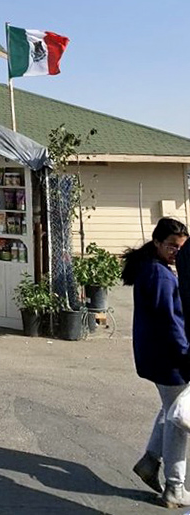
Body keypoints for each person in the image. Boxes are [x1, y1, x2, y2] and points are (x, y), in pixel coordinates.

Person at [122, 217, 190, 508]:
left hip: (157, 355)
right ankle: (175, 487)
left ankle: (150, 462)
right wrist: (187, 353)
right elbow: (170, 322)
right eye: (172, 246)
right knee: (179, 421)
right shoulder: (160, 275)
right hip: (170, 358)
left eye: (181, 248)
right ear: (157, 243)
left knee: (171, 409)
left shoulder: (152, 267)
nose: (177, 252)